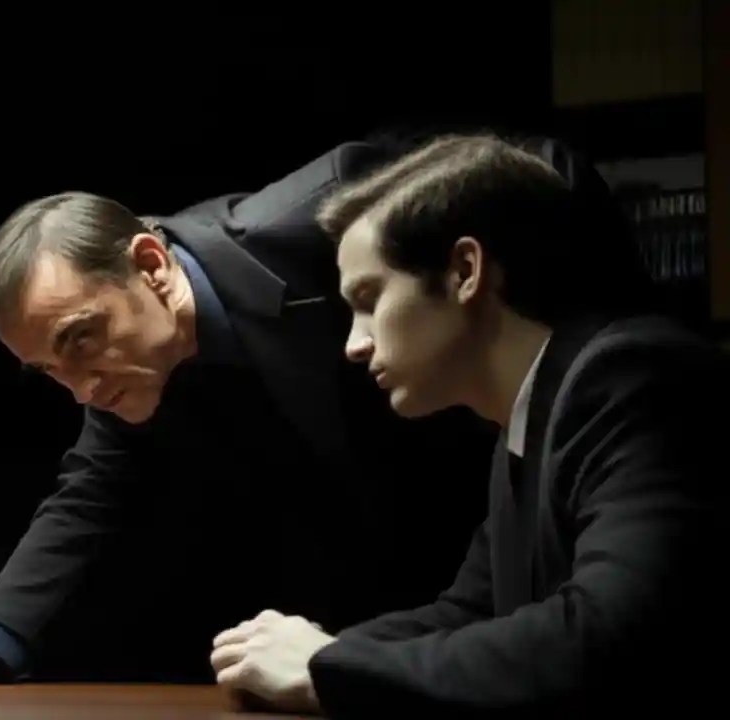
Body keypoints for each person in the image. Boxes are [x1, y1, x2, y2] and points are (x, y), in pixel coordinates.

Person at [0, 135, 642, 685]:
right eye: (50, 373)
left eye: (83, 341)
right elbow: (86, 498)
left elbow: (545, 172)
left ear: (150, 266)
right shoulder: (127, 371)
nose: (79, 388)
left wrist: (574, 373)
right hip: (425, 608)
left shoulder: (332, 212)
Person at [210, 134, 726, 716]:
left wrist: (324, 667)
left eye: (368, 299)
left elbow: (608, 633)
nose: (354, 345)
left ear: (464, 270)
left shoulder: (633, 376)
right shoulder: (530, 415)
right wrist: (311, 654)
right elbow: (472, 612)